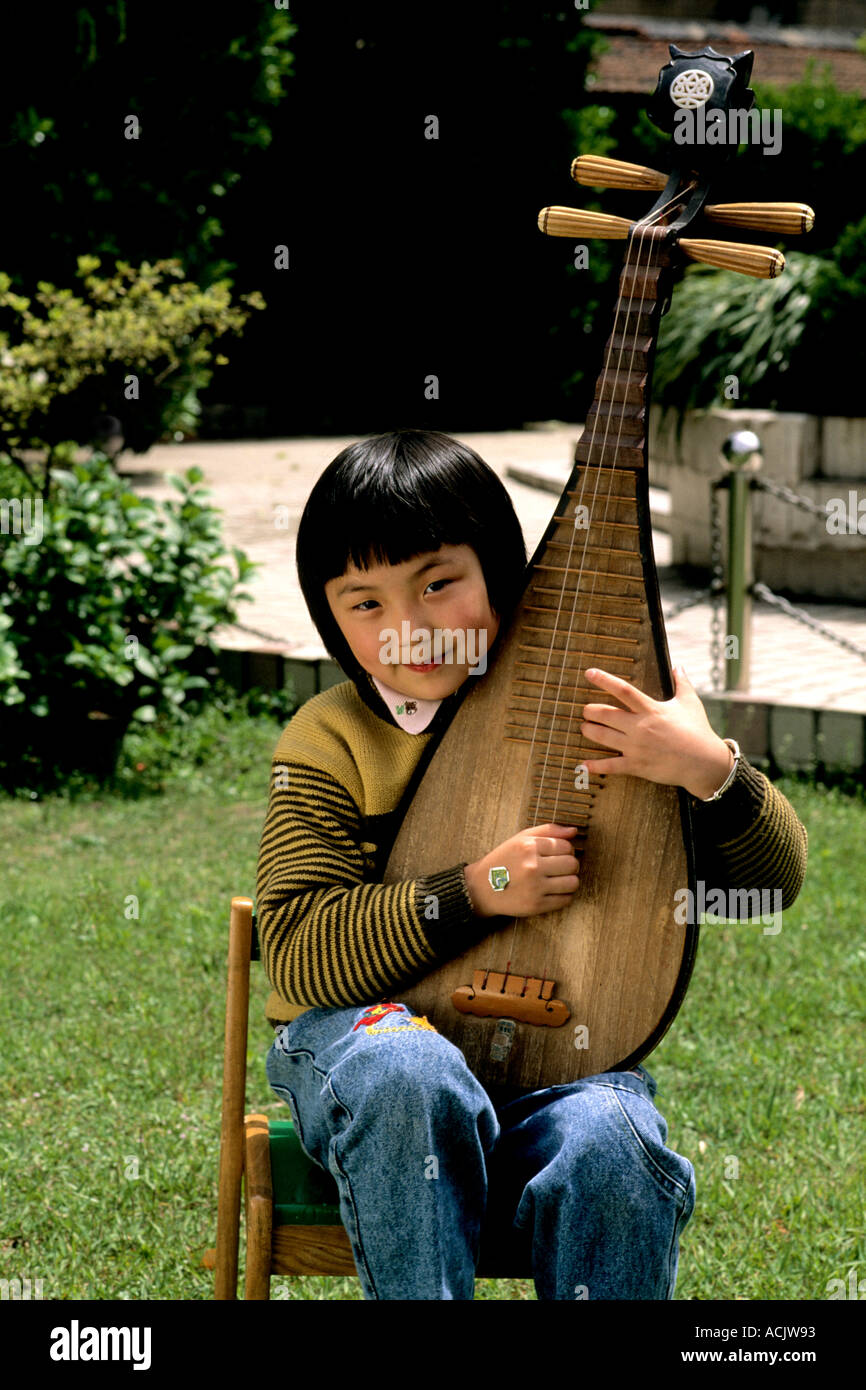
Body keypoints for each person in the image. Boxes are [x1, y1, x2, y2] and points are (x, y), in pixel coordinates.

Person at [256, 428, 807, 1300]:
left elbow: (767, 889)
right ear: (330, 619)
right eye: (365, 604)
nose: (410, 629)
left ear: (504, 573)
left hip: (562, 1068)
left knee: (611, 1138)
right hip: (366, 1057)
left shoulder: (598, 712)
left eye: (438, 584)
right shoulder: (331, 741)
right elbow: (295, 951)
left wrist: (707, 769)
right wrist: (478, 889)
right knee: (410, 1068)